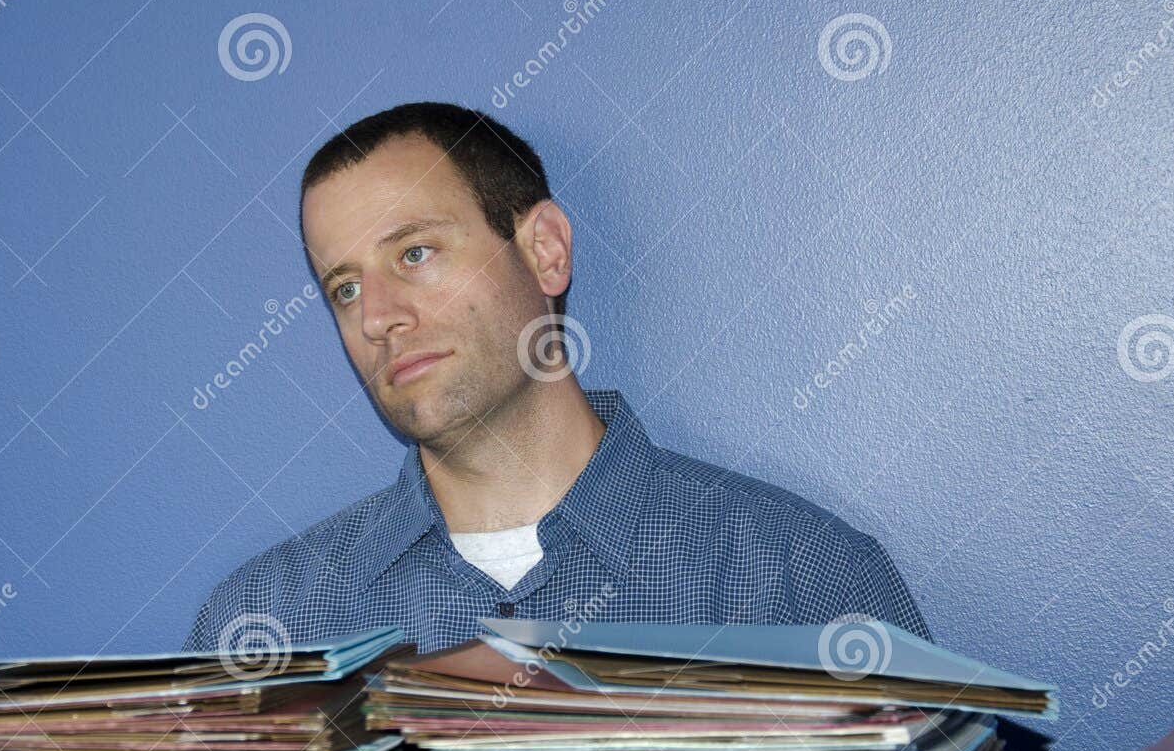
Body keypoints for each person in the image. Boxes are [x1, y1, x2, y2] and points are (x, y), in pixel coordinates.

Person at [183, 102, 928, 655]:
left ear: (544, 251)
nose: (377, 316)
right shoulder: (264, 626)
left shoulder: (801, 581)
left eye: (414, 254)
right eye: (344, 288)